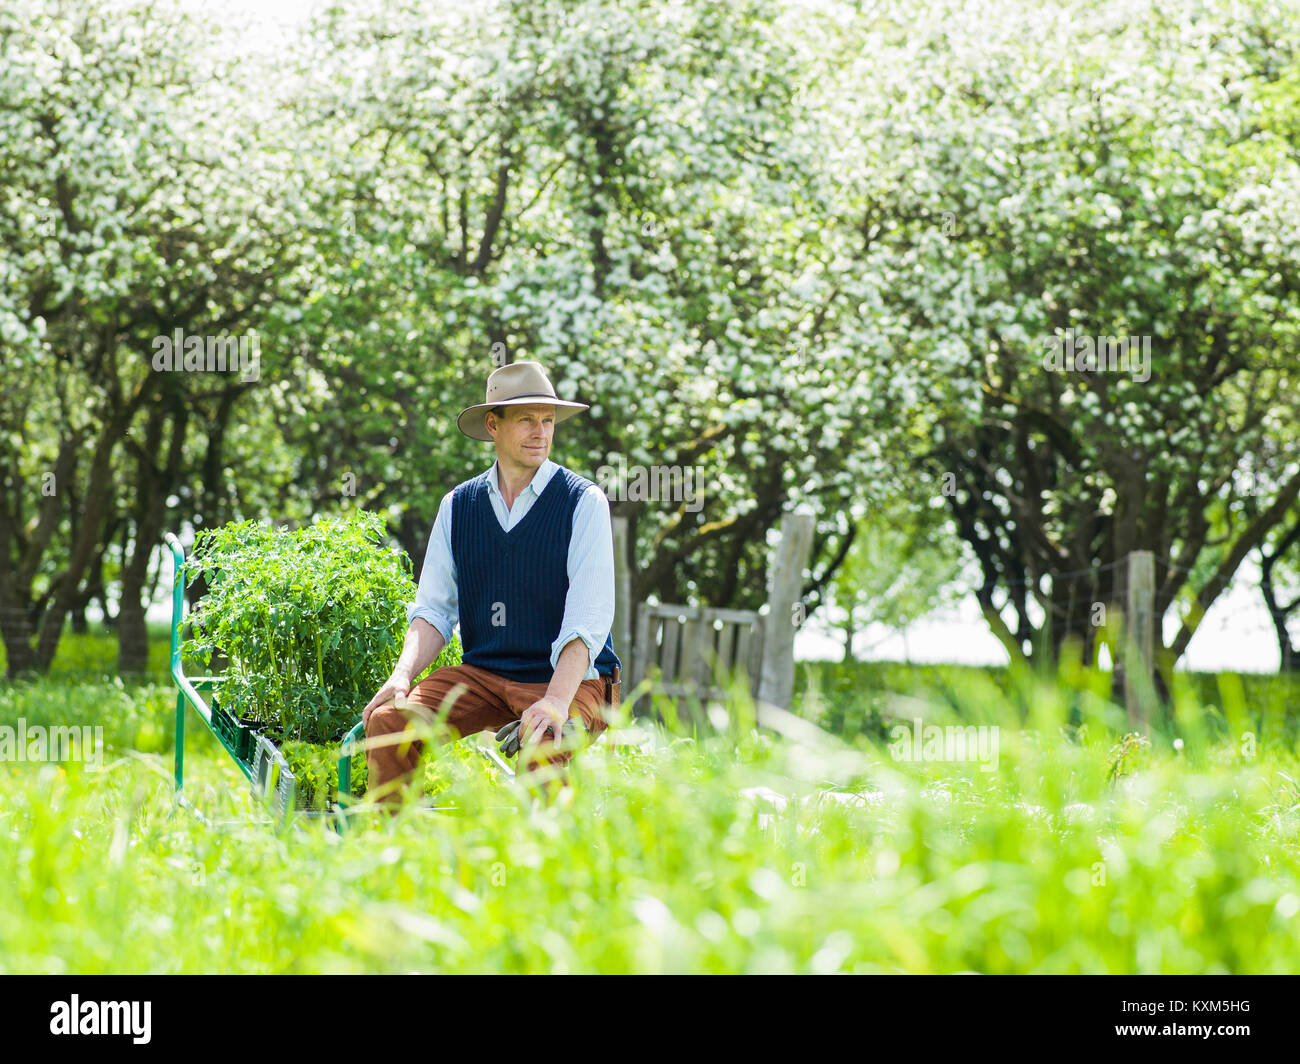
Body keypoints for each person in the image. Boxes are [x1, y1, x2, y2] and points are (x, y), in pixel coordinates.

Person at [361, 361, 620, 804]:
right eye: (526, 419)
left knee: (546, 738)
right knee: (389, 722)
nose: (541, 432)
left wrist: (556, 702)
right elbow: (434, 612)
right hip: (483, 675)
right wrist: (401, 676)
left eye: (548, 420)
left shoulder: (583, 502)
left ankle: (539, 865)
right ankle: (396, 855)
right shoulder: (459, 507)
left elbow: (587, 621)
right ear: (492, 425)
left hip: (569, 680)